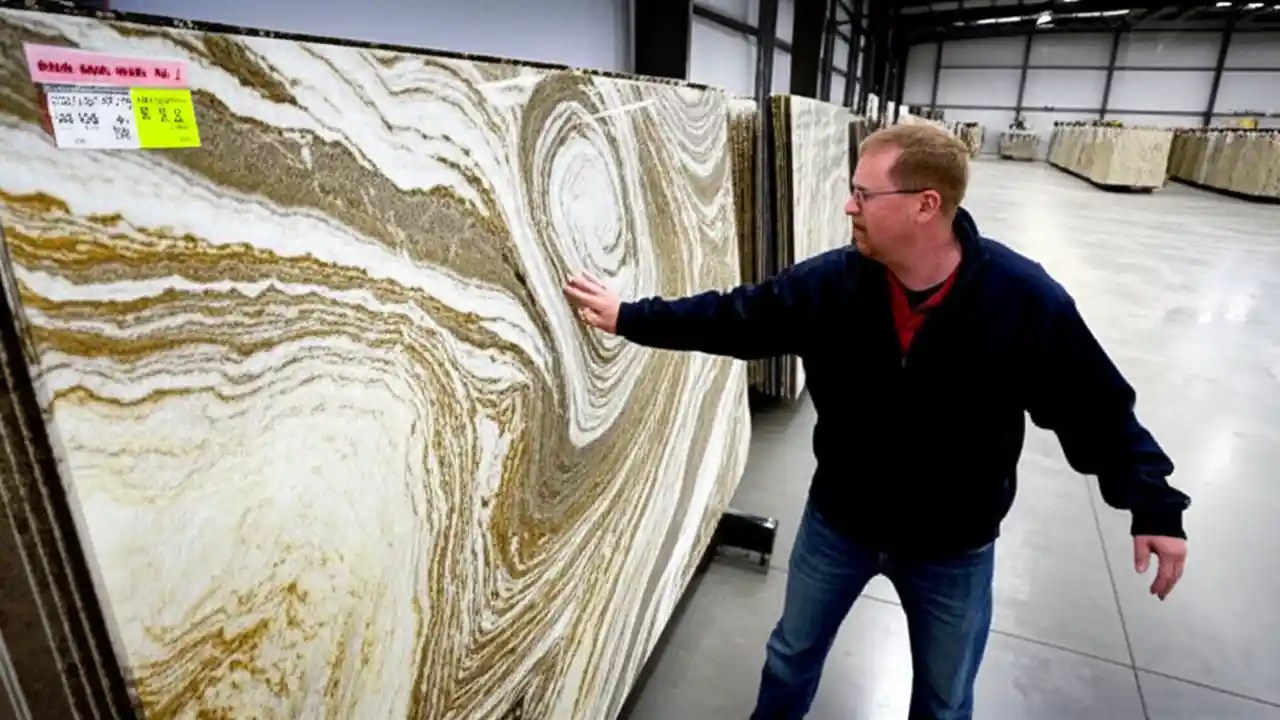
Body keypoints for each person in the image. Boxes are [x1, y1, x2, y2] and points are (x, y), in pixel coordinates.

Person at [562, 123, 1190, 720]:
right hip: (841, 523)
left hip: (954, 546)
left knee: (944, 701)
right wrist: (631, 316)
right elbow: (735, 318)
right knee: (789, 659)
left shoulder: (1021, 300)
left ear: (925, 204)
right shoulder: (832, 286)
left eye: (863, 194)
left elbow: (1096, 407)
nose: (848, 207)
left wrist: (1152, 503)